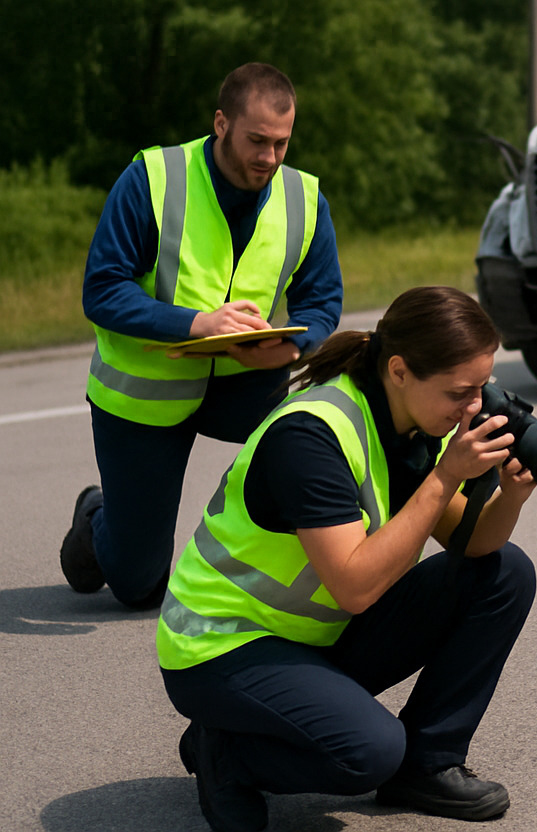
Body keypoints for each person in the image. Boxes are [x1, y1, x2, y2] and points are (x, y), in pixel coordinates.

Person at [156, 285, 537, 831]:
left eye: (482, 388)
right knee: (369, 753)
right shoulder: (311, 436)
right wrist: (447, 474)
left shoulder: (407, 421)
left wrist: (512, 496)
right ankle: (226, 752)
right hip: (221, 647)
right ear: (401, 370)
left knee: (505, 573)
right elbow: (355, 588)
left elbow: (473, 544)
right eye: (461, 392)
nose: (475, 407)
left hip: (311, 639)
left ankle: (427, 764)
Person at [60, 63, 343, 609]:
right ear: (221, 123)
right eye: (256, 141)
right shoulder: (152, 177)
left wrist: (293, 346)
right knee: (139, 585)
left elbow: (322, 301)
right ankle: (98, 514)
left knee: (319, 445)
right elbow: (102, 288)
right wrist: (196, 324)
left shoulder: (304, 197)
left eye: (281, 143)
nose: (269, 158)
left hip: (249, 387)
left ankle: (304, 567)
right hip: (145, 394)